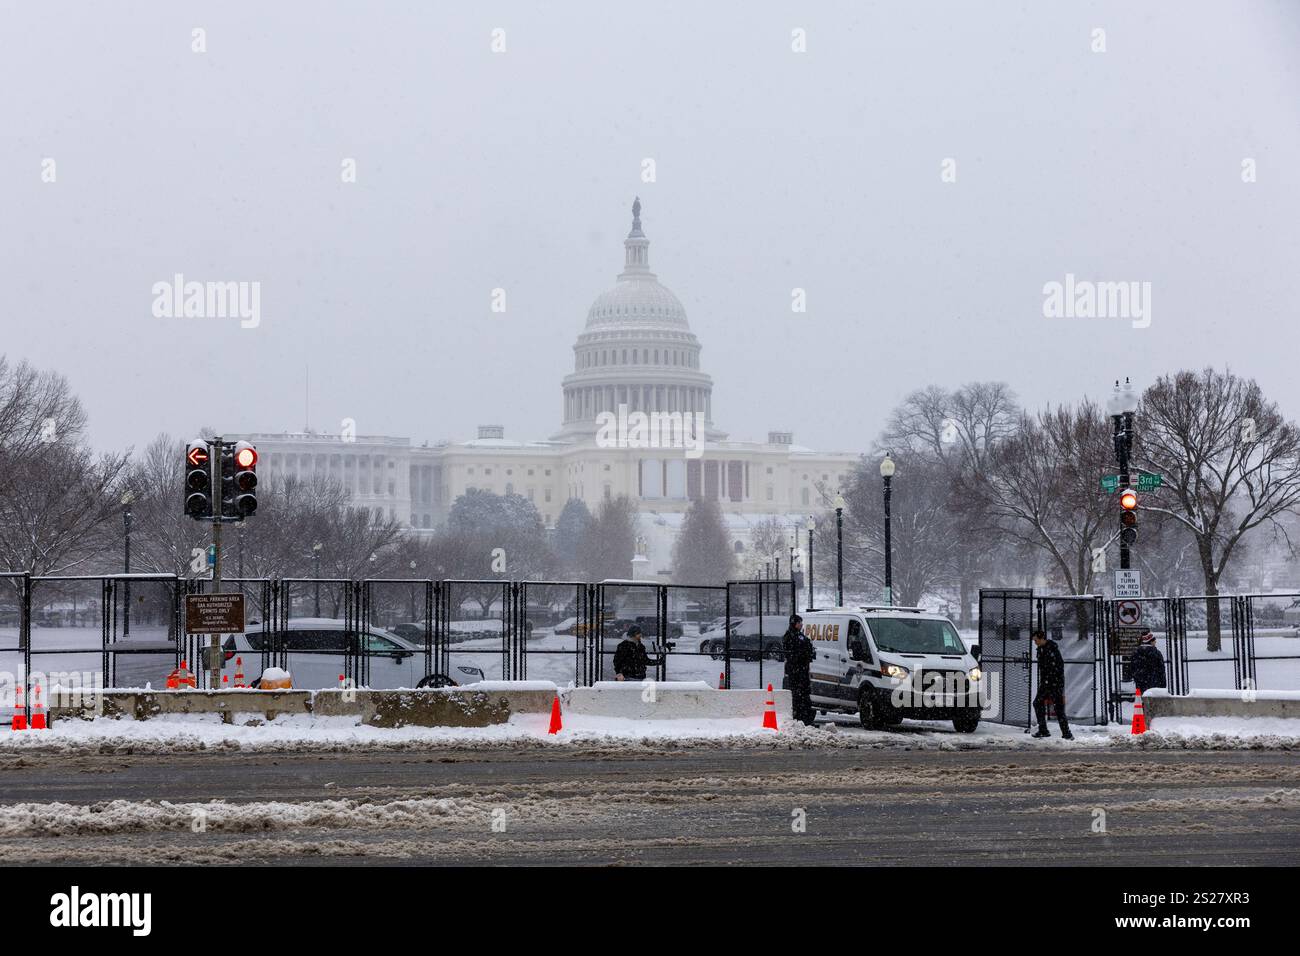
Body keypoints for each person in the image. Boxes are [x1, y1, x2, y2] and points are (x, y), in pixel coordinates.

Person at [1031, 630, 1073, 740]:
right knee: (1038, 703)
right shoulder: (1041, 650)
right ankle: (1043, 729)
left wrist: (1053, 681)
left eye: (1036, 640)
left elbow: (1058, 667)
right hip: (1046, 683)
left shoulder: (1052, 649)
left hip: (1054, 683)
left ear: (1042, 638)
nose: (1035, 642)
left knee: (1058, 708)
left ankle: (1066, 733)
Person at [781, 614, 817, 726]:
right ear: (794, 623)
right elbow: (793, 652)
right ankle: (799, 717)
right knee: (797, 694)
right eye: (799, 623)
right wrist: (804, 654)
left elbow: (806, 646)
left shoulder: (799, 636)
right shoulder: (790, 636)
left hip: (803, 670)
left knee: (804, 693)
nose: (801, 625)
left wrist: (809, 653)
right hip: (796, 671)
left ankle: (805, 718)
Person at [1129, 630, 1166, 695]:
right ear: (1150, 641)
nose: (1155, 642)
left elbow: (1132, 668)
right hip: (1155, 683)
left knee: (1143, 700)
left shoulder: (1136, 653)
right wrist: (1163, 684)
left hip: (1140, 682)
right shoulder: (1156, 653)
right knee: (1154, 702)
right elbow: (1161, 670)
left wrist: (1137, 678)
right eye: (1154, 640)